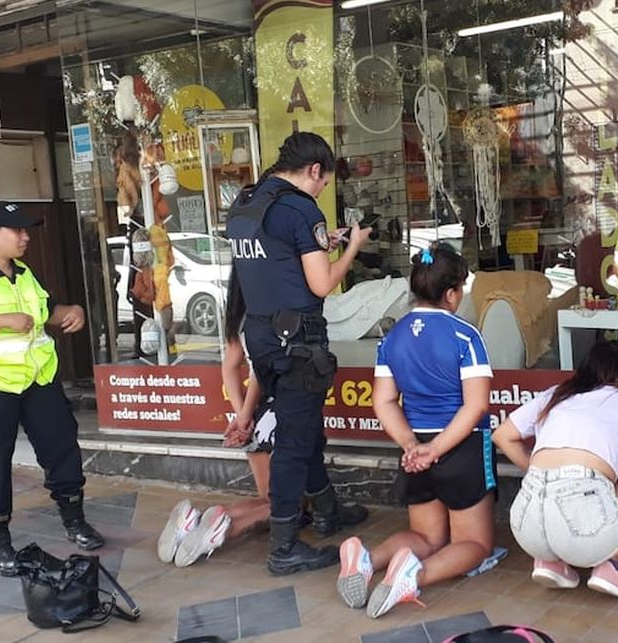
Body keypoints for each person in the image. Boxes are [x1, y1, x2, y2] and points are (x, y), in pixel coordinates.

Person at [225, 131, 371, 576]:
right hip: (297, 343)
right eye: (324, 182)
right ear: (314, 169)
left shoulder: (246, 205)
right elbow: (321, 285)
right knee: (293, 442)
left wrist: (320, 243)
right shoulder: (301, 209)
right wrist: (353, 247)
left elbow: (274, 262)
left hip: (262, 337)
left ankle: (327, 509)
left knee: (303, 428)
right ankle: (284, 547)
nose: (322, 190)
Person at [0, 202, 104, 577]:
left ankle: (75, 520)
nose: (26, 237)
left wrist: (71, 311)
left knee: (62, 449)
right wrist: (3, 320)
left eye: (26, 230)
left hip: (37, 380)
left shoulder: (25, 274)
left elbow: (45, 312)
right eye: (18, 230)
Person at [335, 242, 496, 619]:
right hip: (460, 447)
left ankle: (367, 560)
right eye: (461, 289)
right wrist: (436, 449)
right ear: (451, 293)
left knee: (426, 537)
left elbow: (383, 402)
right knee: (475, 544)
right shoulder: (466, 336)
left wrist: (412, 445)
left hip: (414, 449)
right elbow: (475, 406)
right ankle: (414, 576)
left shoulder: (392, 339)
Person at [493, 341, 618, 599]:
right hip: (587, 528)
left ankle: (550, 562)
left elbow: (502, 436)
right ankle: (610, 565)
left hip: (526, 526)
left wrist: (537, 471)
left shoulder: (556, 395)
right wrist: (615, 489)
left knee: (585, 488)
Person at [157, 269, 280, 567]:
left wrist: (242, 415)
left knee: (269, 499)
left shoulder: (239, 316)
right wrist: (245, 414)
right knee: (287, 506)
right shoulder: (270, 312)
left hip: (256, 417)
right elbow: (260, 372)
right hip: (279, 414)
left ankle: (196, 522)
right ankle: (222, 531)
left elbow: (229, 368)